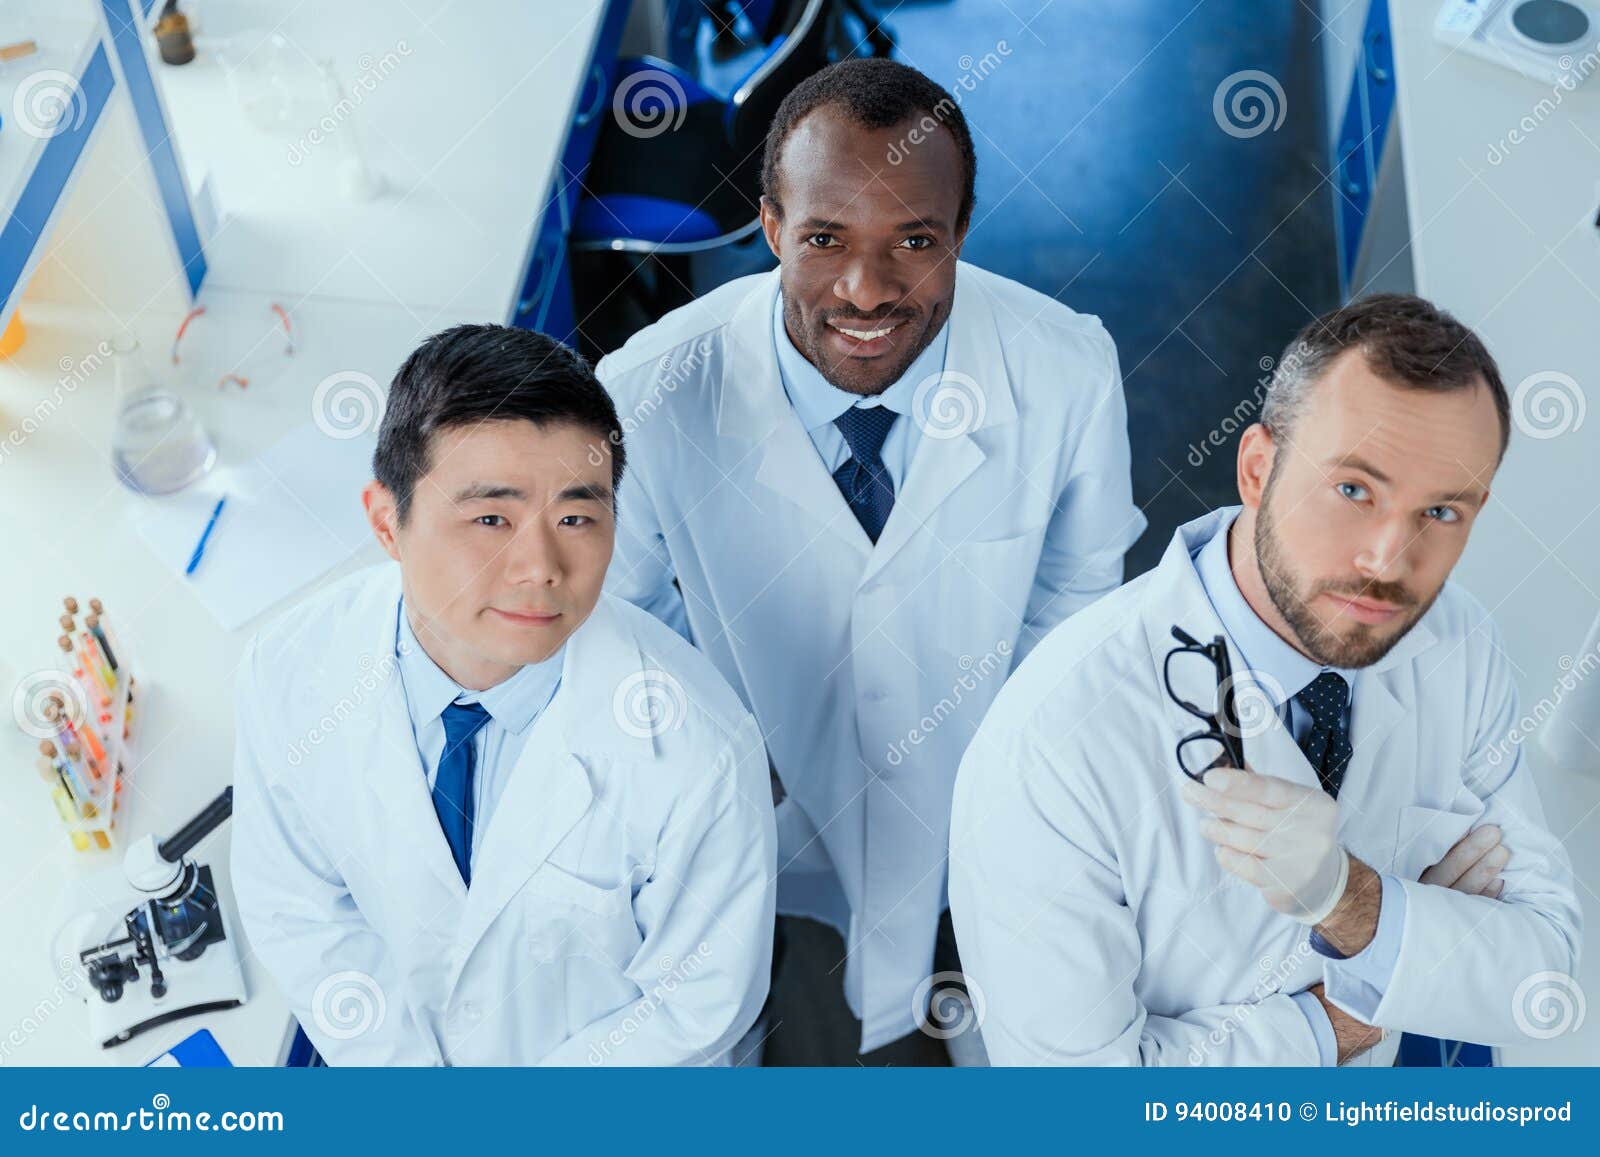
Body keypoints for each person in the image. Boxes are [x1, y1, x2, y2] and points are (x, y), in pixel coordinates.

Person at [597, 59, 1144, 1063]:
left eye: (914, 241)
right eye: (822, 240)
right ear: (769, 230)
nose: (866, 289)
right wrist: (710, 747)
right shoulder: (646, 392)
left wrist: (1005, 766)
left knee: (989, 1012)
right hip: (750, 793)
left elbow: (1078, 593)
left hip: (967, 787)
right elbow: (618, 624)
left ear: (961, 232)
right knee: (721, 1013)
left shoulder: (1063, 368)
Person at [949, 294, 1583, 1065]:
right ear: (1257, 468)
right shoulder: (1054, 739)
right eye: (1354, 489)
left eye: (1442, 511)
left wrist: (1349, 899)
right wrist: (1382, 984)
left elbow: (1542, 977)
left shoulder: (1456, 640)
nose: (1389, 559)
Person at [231, 325, 776, 1065]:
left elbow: (695, 1007)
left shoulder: (699, 749)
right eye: (491, 518)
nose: (540, 566)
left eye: (577, 516)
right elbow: (296, 907)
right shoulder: (288, 669)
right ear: (387, 521)